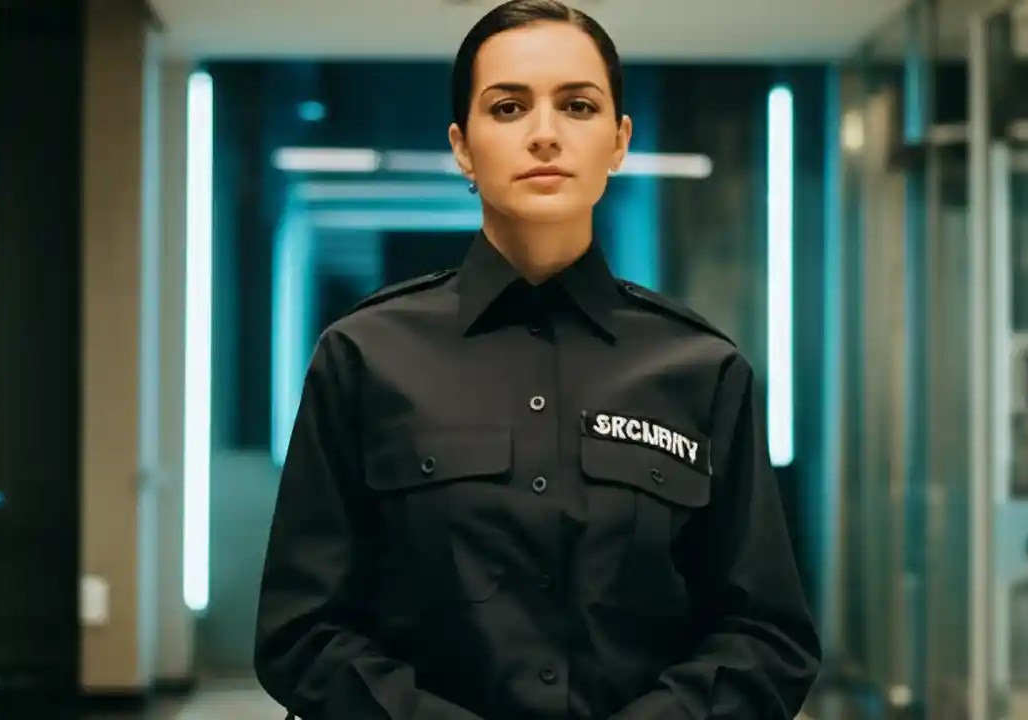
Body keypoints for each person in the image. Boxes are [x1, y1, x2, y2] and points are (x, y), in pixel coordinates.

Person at [253, 1, 821, 717]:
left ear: (619, 141)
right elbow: (299, 633)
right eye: (509, 107)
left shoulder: (702, 371)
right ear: (463, 145)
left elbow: (768, 638)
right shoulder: (364, 358)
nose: (545, 134)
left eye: (578, 106)